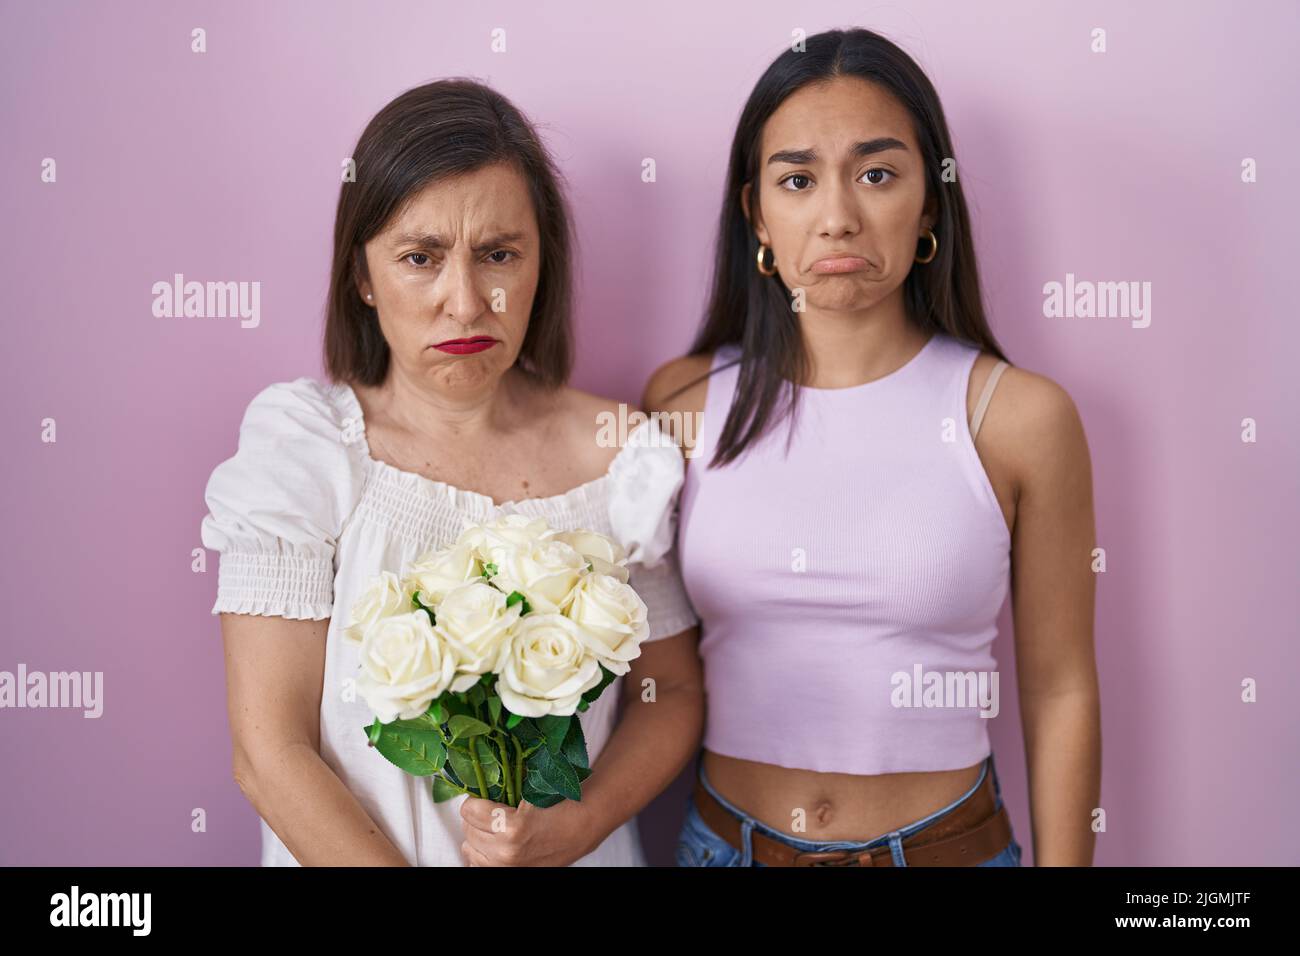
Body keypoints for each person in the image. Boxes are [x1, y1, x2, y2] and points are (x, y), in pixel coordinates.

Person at [200, 78, 703, 866]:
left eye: (499, 255)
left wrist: (576, 826)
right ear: (362, 278)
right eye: (419, 258)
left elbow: (669, 692)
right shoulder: (307, 453)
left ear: (543, 265)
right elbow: (270, 752)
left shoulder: (620, 455)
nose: (465, 303)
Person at [644, 28, 1101, 867]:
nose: (837, 216)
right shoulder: (680, 404)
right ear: (756, 213)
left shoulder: (1020, 417)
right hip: (724, 847)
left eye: (878, 174)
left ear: (930, 202)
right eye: (797, 180)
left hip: (946, 849)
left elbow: (1061, 686)